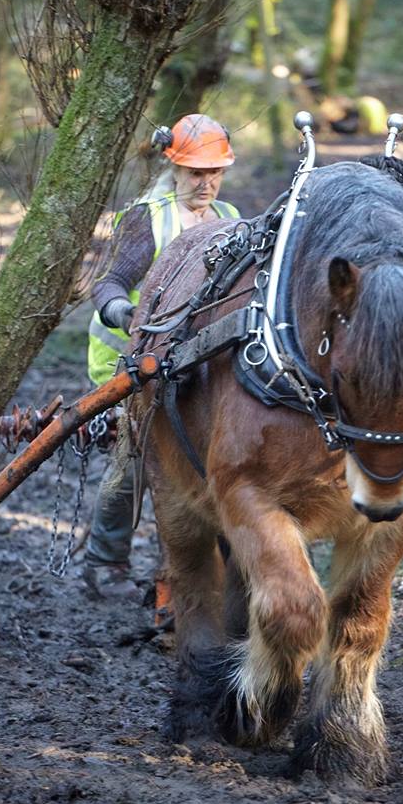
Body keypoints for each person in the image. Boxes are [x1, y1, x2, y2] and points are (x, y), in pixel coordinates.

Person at [84, 114, 240, 600]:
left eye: (214, 172)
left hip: (201, 363)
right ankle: (105, 559)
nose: (206, 182)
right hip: (132, 363)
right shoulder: (148, 218)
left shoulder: (232, 221)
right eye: (196, 172)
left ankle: (204, 567)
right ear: (174, 168)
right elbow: (105, 283)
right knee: (134, 462)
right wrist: (127, 313)